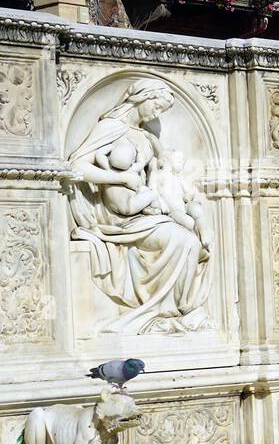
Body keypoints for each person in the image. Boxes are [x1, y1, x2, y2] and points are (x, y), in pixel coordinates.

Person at [67, 78, 213, 334]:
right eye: (157, 106)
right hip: (117, 216)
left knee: (192, 239)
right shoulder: (110, 128)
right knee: (184, 241)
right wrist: (120, 177)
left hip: (143, 211)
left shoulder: (146, 137)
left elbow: (161, 174)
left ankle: (179, 310)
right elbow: (76, 167)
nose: (157, 113)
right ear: (142, 97)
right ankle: (164, 312)